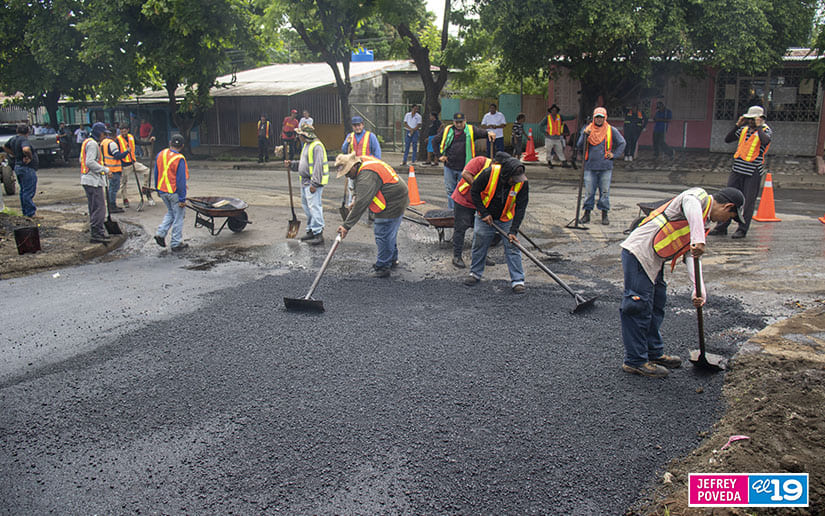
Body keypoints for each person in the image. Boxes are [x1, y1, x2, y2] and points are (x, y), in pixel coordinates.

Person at [620, 187, 745, 377]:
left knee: (657, 304)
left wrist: (698, 290)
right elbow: (690, 202)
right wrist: (697, 238)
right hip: (639, 252)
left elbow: (691, 257)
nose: (725, 222)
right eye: (729, 216)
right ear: (727, 206)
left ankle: (653, 353)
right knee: (638, 306)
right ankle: (635, 360)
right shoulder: (698, 197)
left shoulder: (703, 223)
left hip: (655, 259)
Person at [463, 152, 529, 294]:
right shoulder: (489, 173)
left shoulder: (522, 182)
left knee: (512, 246)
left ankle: (518, 280)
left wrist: (513, 230)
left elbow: (521, 207)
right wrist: (484, 213)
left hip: (506, 217)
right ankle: (475, 273)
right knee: (480, 243)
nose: (516, 182)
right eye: (513, 179)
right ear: (506, 175)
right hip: (485, 215)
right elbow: (474, 191)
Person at [335, 152, 409, 278]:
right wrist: (354, 197)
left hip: (392, 201)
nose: (347, 176)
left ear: (353, 166)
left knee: (383, 231)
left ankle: (383, 267)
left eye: (347, 173)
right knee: (390, 231)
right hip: (397, 194)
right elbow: (359, 189)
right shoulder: (362, 162)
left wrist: (346, 226)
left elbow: (362, 203)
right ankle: (392, 259)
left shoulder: (366, 175)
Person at [708, 106, 772, 239]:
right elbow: (728, 139)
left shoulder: (765, 131)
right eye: (748, 119)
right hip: (737, 169)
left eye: (752, 119)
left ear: (760, 119)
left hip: (753, 171)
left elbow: (765, 141)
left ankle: (742, 229)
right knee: (727, 198)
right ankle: (722, 226)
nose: (749, 121)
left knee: (747, 202)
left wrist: (759, 127)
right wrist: (737, 125)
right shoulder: (744, 130)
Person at [432, 112, 496, 209]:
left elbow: (483, 133)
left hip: (465, 168)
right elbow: (434, 141)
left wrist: (489, 133)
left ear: (465, 121)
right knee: (450, 191)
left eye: (461, 122)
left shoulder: (471, 130)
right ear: (453, 122)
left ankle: (462, 211)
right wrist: (439, 156)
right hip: (450, 166)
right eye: (456, 122)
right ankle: (452, 212)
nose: (458, 124)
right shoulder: (447, 130)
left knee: (465, 191)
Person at [576, 107, 626, 226]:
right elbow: (579, 145)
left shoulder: (611, 130)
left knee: (604, 192)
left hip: (605, 167)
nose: (599, 120)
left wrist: (615, 155)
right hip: (590, 167)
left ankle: (604, 215)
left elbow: (622, 143)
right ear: (594, 118)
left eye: (601, 117)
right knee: (589, 192)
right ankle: (586, 214)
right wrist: (584, 135)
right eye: (597, 117)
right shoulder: (587, 129)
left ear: (605, 118)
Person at [450, 154, 494, 268]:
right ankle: (457, 256)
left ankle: (482, 255)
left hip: (479, 202)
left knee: (483, 230)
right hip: (463, 199)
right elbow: (465, 174)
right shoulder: (480, 161)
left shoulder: (498, 174)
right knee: (460, 227)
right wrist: (477, 187)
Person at [291, 125, 328, 245]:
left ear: (305, 135)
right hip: (305, 182)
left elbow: (318, 166)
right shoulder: (307, 145)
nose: (298, 136)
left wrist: (315, 183)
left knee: (314, 207)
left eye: (300, 134)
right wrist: (292, 164)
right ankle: (311, 230)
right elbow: (304, 164)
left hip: (312, 183)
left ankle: (318, 233)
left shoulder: (317, 146)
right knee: (307, 208)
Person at [153, 134, 190, 252]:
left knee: (171, 213)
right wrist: (182, 199)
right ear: (183, 146)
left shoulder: (161, 154)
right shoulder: (179, 158)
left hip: (163, 190)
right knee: (179, 216)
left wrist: (157, 188)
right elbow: (180, 180)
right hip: (174, 192)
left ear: (170, 143)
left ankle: (160, 233)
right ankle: (176, 242)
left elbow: (156, 172)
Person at [79, 122, 112, 244]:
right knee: (99, 208)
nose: (105, 136)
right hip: (92, 180)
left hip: (88, 179)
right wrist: (105, 170)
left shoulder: (87, 142)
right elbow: (89, 162)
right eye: (104, 134)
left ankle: (97, 231)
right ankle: (97, 232)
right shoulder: (92, 144)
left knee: (94, 207)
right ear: (100, 133)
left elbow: (82, 160)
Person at [2, 123, 39, 218]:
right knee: (28, 191)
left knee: (23, 191)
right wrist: (29, 157)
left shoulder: (14, 139)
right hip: (26, 168)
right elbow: (26, 149)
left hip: (18, 166)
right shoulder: (23, 140)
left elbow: (5, 147)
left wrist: (14, 154)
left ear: (17, 131)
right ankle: (30, 213)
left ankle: (25, 212)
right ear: (28, 131)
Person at [117, 125, 152, 210]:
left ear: (128, 130)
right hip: (125, 165)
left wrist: (149, 142)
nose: (123, 133)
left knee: (147, 171)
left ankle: (144, 187)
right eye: (121, 131)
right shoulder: (117, 140)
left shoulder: (131, 137)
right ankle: (125, 199)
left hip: (133, 162)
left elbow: (139, 142)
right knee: (123, 183)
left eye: (124, 131)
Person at [100, 128, 130, 213]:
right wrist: (127, 152)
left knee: (111, 188)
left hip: (107, 168)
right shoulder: (112, 144)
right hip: (114, 169)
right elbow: (117, 156)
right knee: (114, 188)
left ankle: (111, 205)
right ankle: (112, 206)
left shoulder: (103, 143)